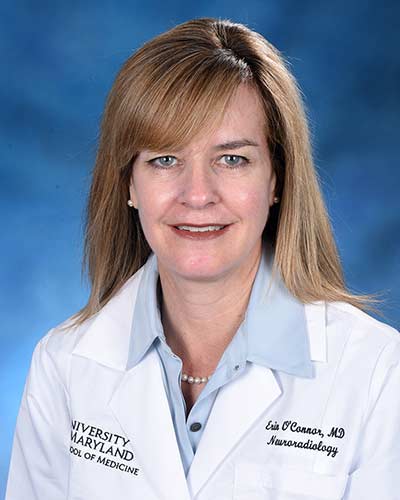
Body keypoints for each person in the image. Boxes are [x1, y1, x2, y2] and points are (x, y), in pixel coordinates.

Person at [5, 17, 399, 500]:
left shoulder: (377, 373)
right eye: (165, 159)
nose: (197, 195)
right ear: (129, 184)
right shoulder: (64, 366)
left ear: (276, 180)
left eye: (232, 159)